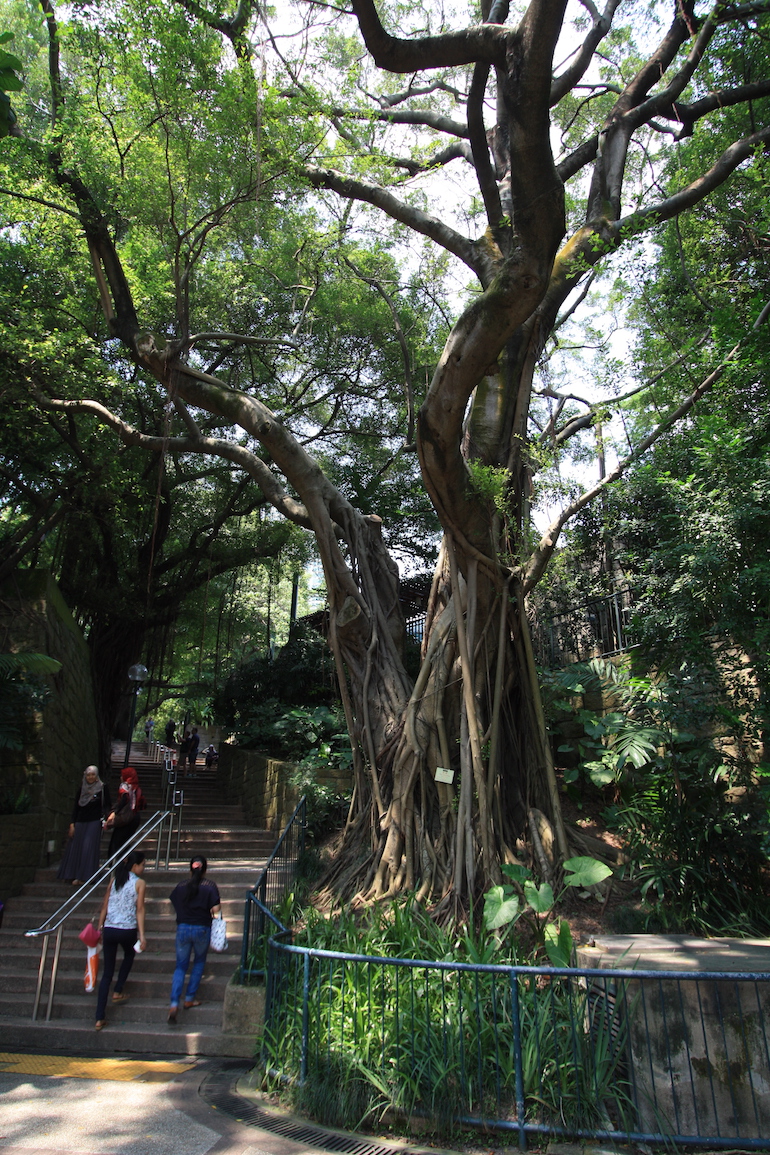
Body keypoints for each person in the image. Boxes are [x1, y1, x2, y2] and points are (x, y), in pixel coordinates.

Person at [94, 850, 147, 1030]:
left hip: (109, 929)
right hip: (127, 929)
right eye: (143, 865)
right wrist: (142, 935)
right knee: (129, 954)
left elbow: (104, 906)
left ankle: (99, 1017)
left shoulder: (114, 880)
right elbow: (140, 909)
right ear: (135, 866)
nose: (144, 868)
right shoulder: (140, 883)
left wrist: (100, 928)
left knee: (107, 973)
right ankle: (118, 990)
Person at [167, 855, 221, 1024]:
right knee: (198, 962)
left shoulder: (181, 886)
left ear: (190, 869)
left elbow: (173, 902)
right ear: (204, 869)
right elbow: (216, 909)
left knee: (180, 966)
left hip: (183, 927)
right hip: (202, 928)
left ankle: (174, 1002)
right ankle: (189, 997)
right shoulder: (210, 886)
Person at [57, 766, 111, 885]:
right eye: (88, 775)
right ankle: (72, 874)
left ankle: (86, 876)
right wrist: (72, 823)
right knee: (76, 847)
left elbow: (107, 805)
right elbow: (76, 808)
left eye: (93, 775)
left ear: (97, 776)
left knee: (89, 847)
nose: (90, 777)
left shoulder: (102, 788)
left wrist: (108, 817)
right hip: (80, 821)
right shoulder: (82, 788)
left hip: (94, 821)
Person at [106, 766, 146, 857]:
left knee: (116, 842)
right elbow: (144, 804)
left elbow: (124, 798)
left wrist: (115, 812)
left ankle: (114, 864)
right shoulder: (137, 788)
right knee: (125, 842)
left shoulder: (124, 786)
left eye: (122, 775)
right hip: (135, 818)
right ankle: (126, 863)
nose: (121, 777)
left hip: (126, 818)